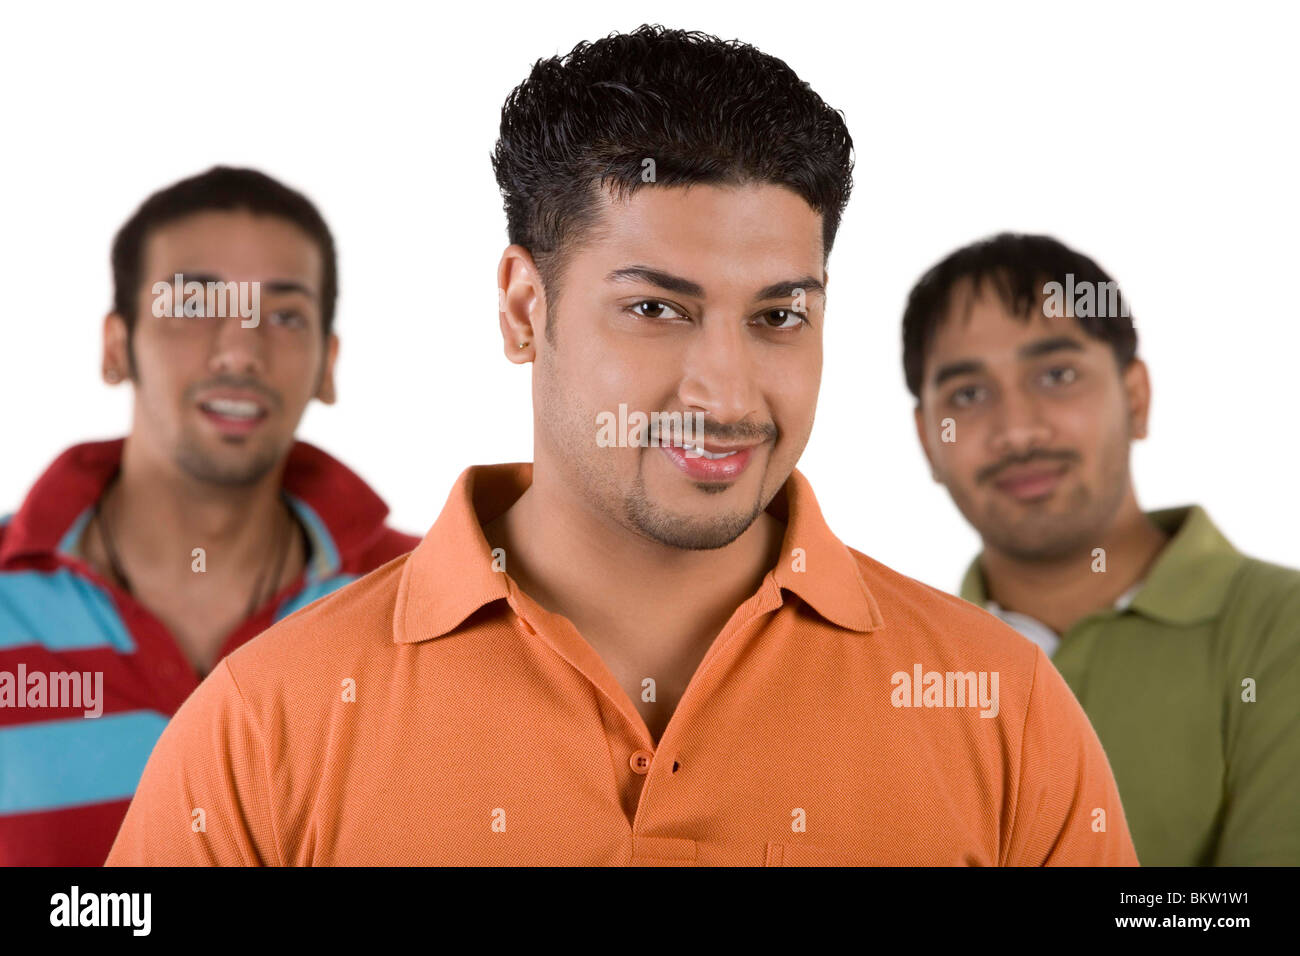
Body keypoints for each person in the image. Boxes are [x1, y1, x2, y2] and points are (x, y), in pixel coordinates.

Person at [108, 28, 1135, 866]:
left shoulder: (1002, 709)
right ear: (523, 307)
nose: (726, 391)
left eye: (779, 315)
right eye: (655, 307)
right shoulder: (263, 722)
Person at [0, 167, 419, 865]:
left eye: (284, 316)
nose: (239, 351)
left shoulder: (429, 598)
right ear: (115, 346)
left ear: (327, 362)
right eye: (194, 306)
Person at [903, 232, 1300, 865]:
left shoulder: (1282, 629)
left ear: (1135, 399)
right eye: (969, 395)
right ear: (928, 441)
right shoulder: (899, 673)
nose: (1018, 431)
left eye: (1057, 375)